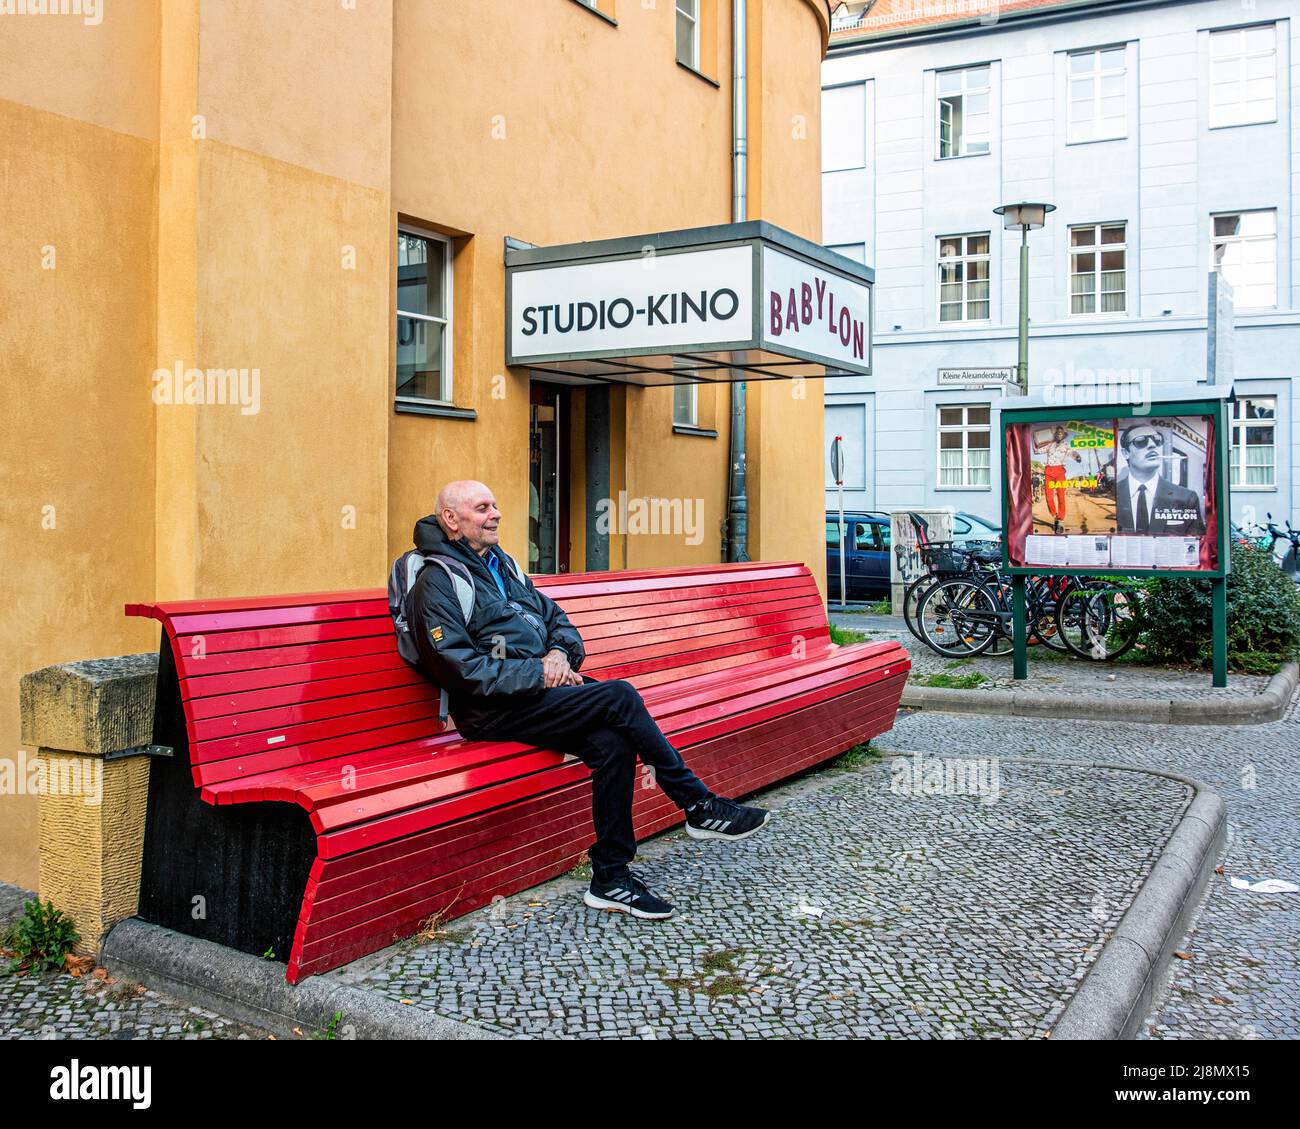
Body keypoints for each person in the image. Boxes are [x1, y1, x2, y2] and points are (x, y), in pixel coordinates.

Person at [409, 480, 771, 921]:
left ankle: (611, 879)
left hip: (538, 696)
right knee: (619, 696)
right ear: (451, 519)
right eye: (482, 508)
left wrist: (559, 654)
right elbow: (459, 669)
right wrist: (538, 671)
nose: (496, 514)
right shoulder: (437, 581)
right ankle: (697, 804)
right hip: (491, 710)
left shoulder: (501, 565)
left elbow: (556, 619)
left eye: (495, 505)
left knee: (611, 744)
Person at [1114, 424, 1205, 535]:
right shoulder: (1111, 496)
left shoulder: (1186, 498)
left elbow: (1196, 545)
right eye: (1141, 441)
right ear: (1126, 453)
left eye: (1157, 440)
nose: (1152, 445)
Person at [1040, 426, 1081, 532]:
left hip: (1059, 472)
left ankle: (1061, 520)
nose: (1059, 435)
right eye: (1057, 433)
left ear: (1063, 435)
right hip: (1049, 472)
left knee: (1061, 496)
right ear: (1055, 435)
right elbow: (1039, 450)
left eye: (1061, 433)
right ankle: (1055, 515)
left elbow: (1073, 453)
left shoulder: (1066, 446)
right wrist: (1036, 441)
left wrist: (1077, 457)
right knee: (1049, 498)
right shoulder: (1050, 445)